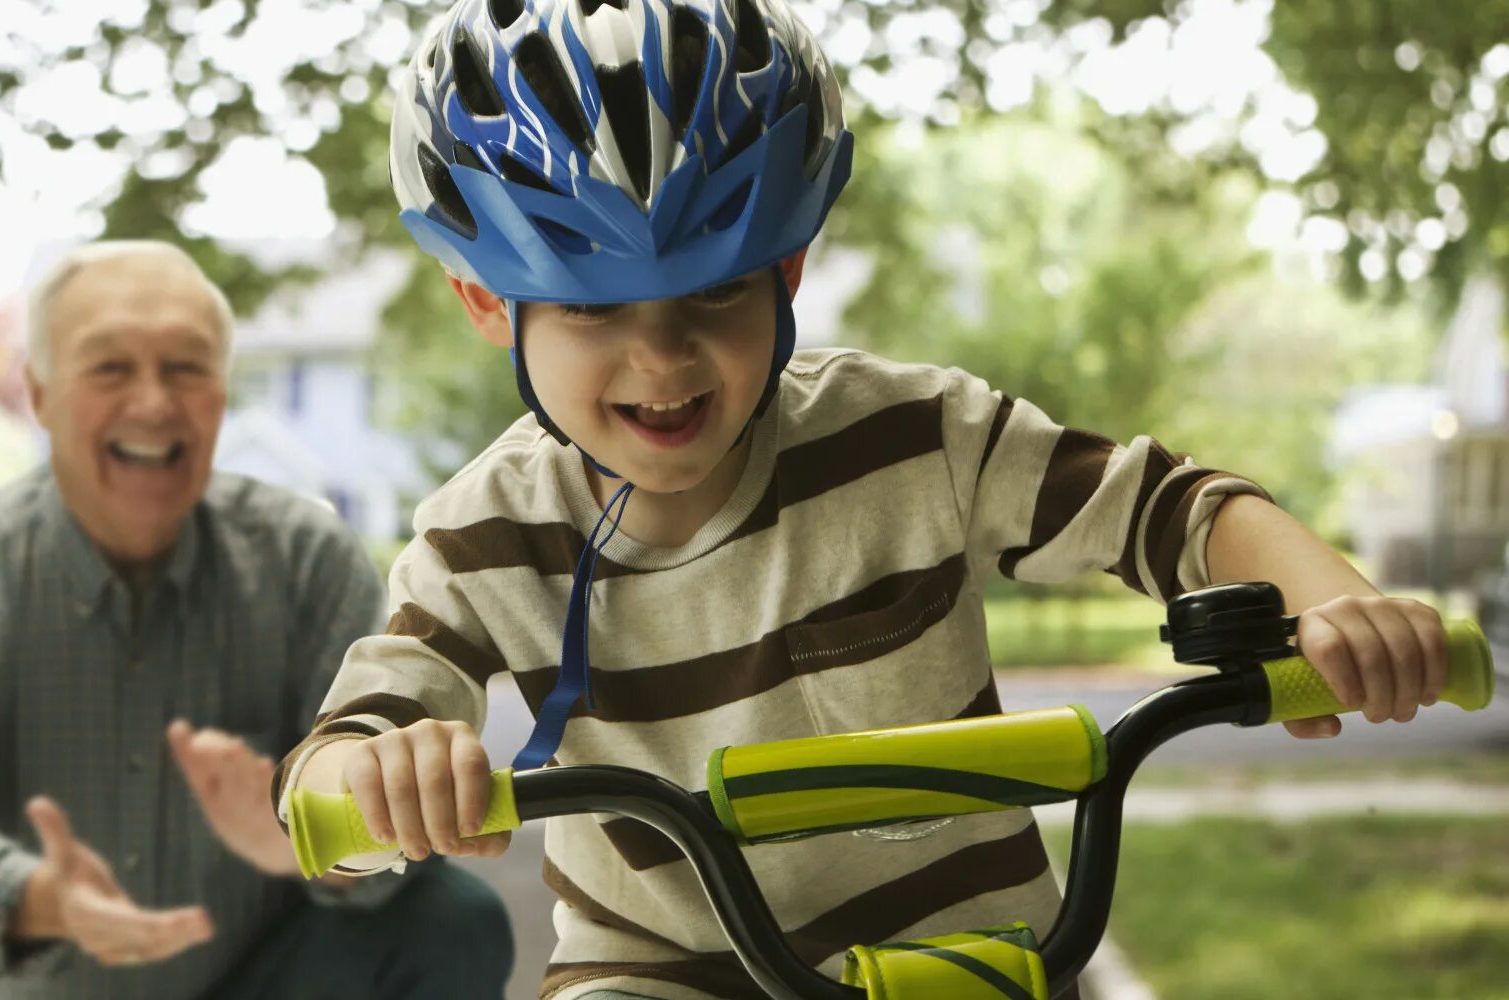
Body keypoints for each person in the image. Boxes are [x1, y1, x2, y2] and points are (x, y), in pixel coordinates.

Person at [271, 2, 1453, 998]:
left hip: (975, 956)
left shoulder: (915, 436)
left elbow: (1168, 507)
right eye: (589, 308)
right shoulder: (480, 539)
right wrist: (376, 780)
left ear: (787, 268)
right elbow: (342, 754)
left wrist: (1334, 601)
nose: (663, 359)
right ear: (488, 302)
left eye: (718, 289)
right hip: (663, 974)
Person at [0, 241, 512, 1000]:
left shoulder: (308, 559)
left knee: (452, 920)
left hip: (265, 975)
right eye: (110, 367)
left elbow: (378, 829)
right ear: (40, 394)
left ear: (221, 396)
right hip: (50, 986)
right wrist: (37, 900)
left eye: (188, 366)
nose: (155, 401)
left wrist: (303, 837)